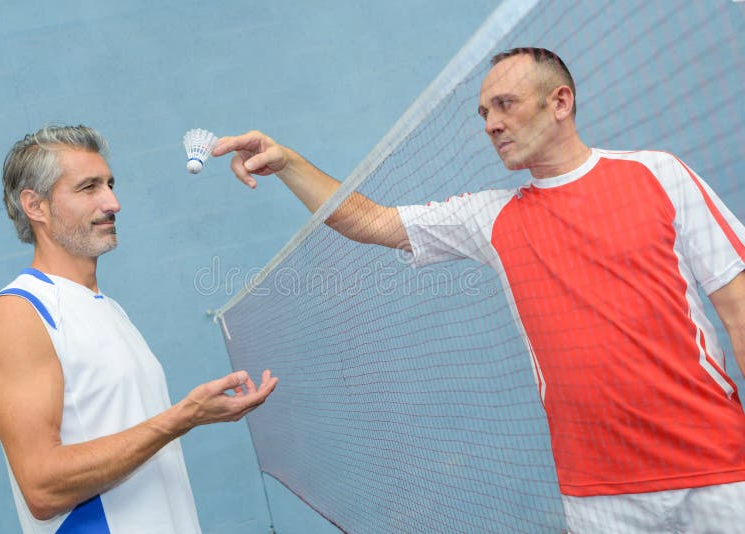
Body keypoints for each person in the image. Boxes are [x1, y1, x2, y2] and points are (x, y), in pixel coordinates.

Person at [212, 48, 745, 532]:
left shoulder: (658, 175)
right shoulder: (491, 216)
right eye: (484, 113)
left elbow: (738, 309)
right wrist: (288, 163)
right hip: (596, 493)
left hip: (719, 469)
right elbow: (367, 221)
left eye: (505, 104)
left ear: (560, 102)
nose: (491, 124)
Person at [0, 125, 278, 534]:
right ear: (36, 206)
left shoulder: (108, 309)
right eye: (88, 188)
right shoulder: (19, 312)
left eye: (110, 185)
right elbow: (42, 487)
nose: (112, 202)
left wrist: (186, 418)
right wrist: (181, 418)